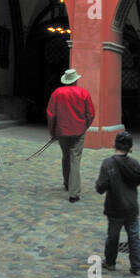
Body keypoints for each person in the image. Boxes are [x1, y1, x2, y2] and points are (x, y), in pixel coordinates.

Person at [95, 131, 140, 276]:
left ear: (114, 145)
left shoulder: (108, 163)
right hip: (131, 207)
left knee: (113, 236)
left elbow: (100, 187)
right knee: (134, 237)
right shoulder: (134, 164)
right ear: (130, 148)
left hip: (114, 207)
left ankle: (110, 262)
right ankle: (137, 266)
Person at [45, 69, 95, 202]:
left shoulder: (57, 93)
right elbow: (90, 114)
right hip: (78, 131)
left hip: (62, 131)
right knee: (75, 159)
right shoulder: (83, 93)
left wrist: (53, 131)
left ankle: (67, 182)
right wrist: (85, 126)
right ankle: (74, 193)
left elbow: (51, 114)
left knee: (65, 156)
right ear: (76, 80)